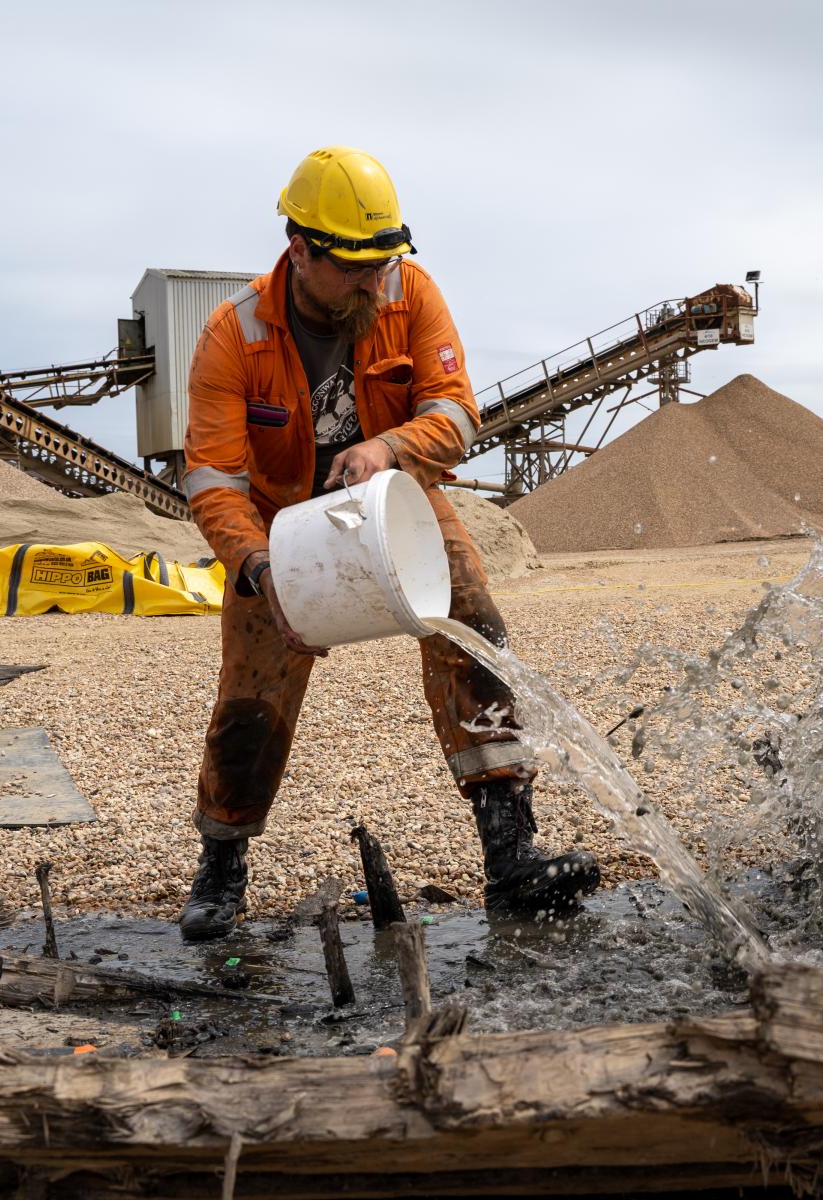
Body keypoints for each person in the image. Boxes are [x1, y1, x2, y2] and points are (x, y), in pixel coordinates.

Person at [177, 146, 600, 942]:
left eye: (384, 263)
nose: (374, 282)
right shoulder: (233, 336)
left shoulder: (412, 292)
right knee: (250, 701)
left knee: (474, 632)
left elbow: (457, 413)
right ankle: (221, 864)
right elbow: (212, 479)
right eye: (354, 267)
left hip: (397, 500)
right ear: (300, 250)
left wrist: (389, 450)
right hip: (276, 527)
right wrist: (256, 565)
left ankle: (511, 855)